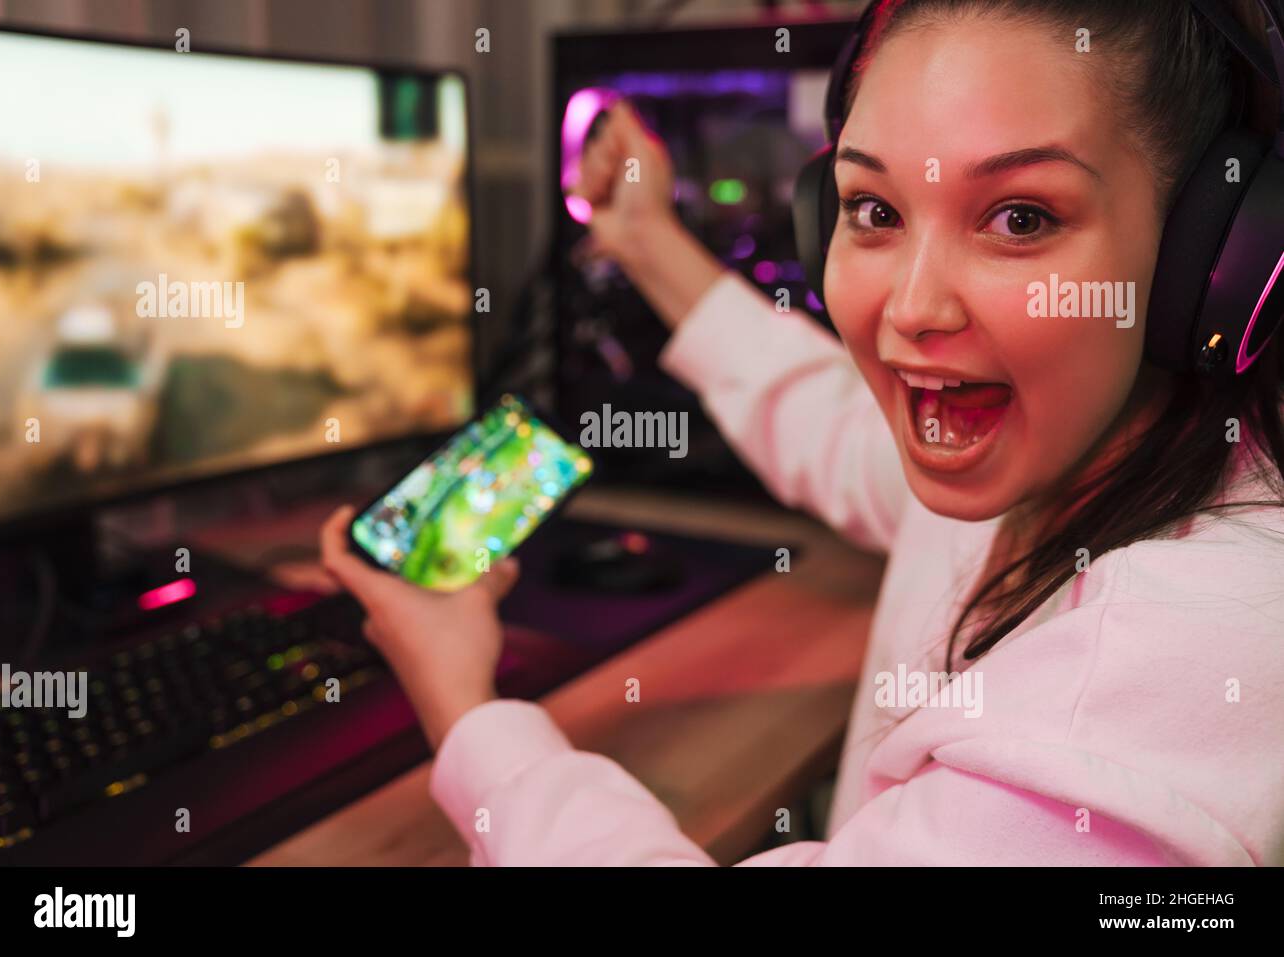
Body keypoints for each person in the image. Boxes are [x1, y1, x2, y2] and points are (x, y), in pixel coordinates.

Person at [319, 0, 1284, 865]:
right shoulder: (1056, 445)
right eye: (873, 210)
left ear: (1207, 259)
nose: (910, 307)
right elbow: (832, 428)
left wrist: (468, 710)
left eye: (1019, 217)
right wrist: (643, 234)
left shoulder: (1196, 648)